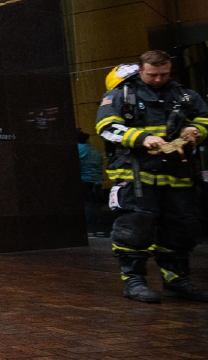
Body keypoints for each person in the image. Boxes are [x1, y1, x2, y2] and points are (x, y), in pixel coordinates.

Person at [96, 49, 208, 304]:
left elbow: (205, 119)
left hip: (178, 175)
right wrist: (142, 138)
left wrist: (196, 130)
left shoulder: (185, 95)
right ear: (141, 70)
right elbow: (107, 127)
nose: (158, 79)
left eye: (164, 74)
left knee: (181, 227)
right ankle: (134, 281)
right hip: (137, 176)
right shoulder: (121, 95)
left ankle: (176, 280)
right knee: (135, 229)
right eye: (153, 75)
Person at [77, 129, 106, 238]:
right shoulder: (95, 149)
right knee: (97, 205)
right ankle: (100, 229)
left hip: (85, 180)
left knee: (87, 204)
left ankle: (90, 229)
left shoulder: (78, 149)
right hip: (98, 181)